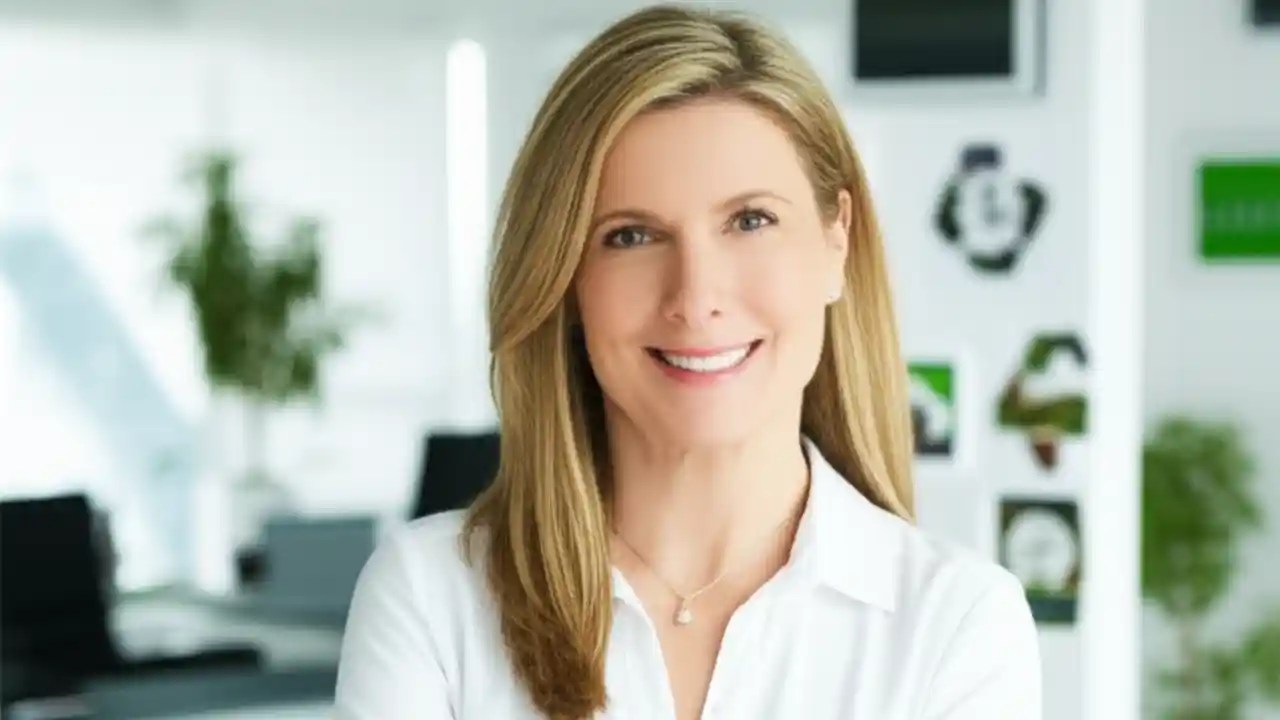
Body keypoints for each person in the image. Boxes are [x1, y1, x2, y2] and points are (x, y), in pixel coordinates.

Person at [333, 5, 1041, 719]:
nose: (696, 297)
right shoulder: (431, 597)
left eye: (750, 221)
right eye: (632, 235)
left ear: (837, 243)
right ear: (566, 280)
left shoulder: (957, 624)